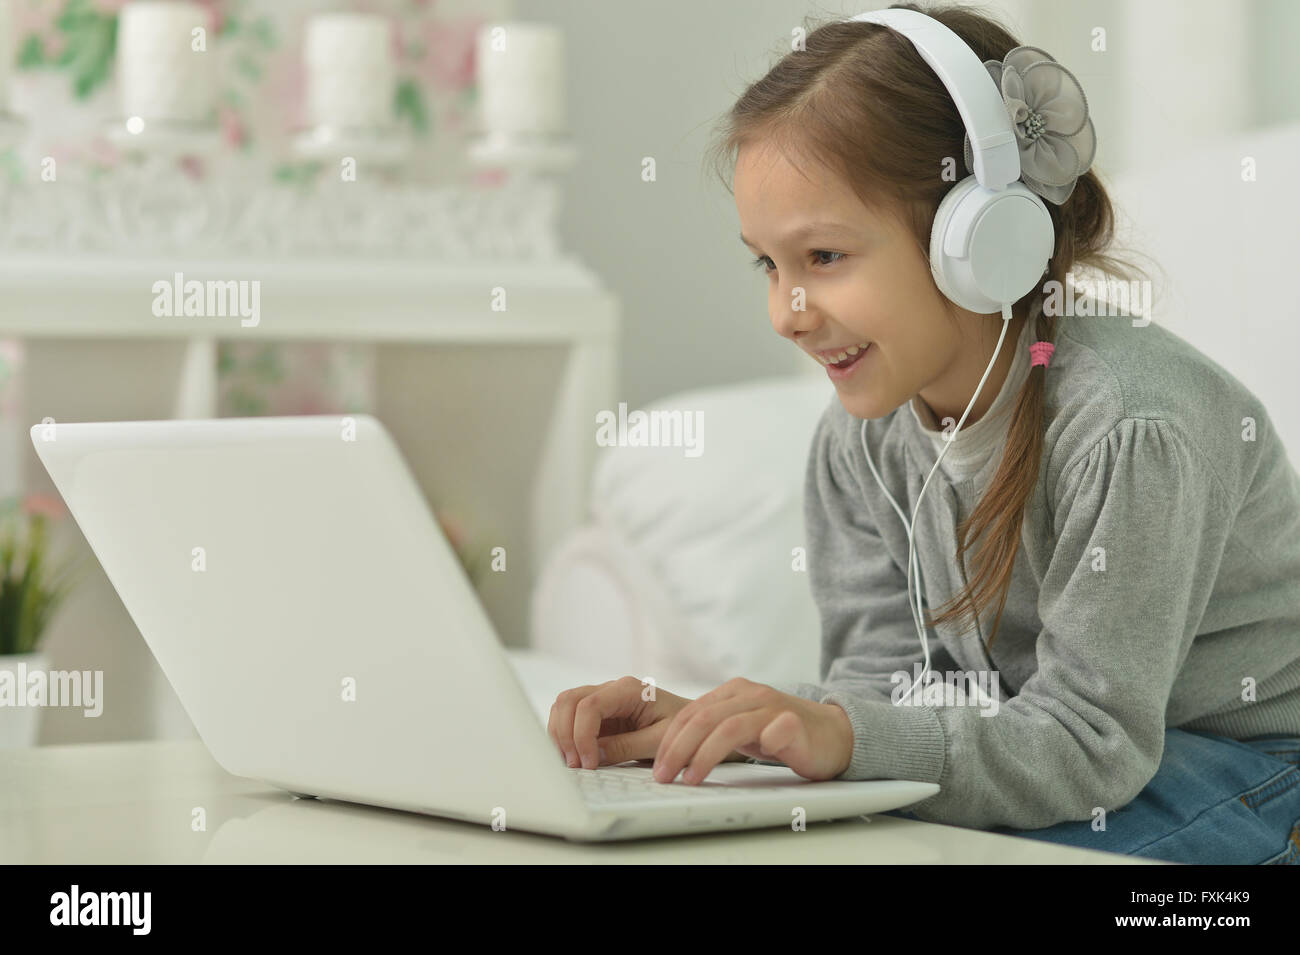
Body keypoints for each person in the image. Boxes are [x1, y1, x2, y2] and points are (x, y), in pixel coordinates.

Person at [548, 2, 1300, 864]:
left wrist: (843, 738)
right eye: (769, 263)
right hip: (1068, 761)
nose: (785, 314)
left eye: (823, 257)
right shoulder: (857, 440)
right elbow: (878, 698)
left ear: (977, 241)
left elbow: (1093, 744)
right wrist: (741, 729)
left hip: (1247, 767)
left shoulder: (1131, 425)